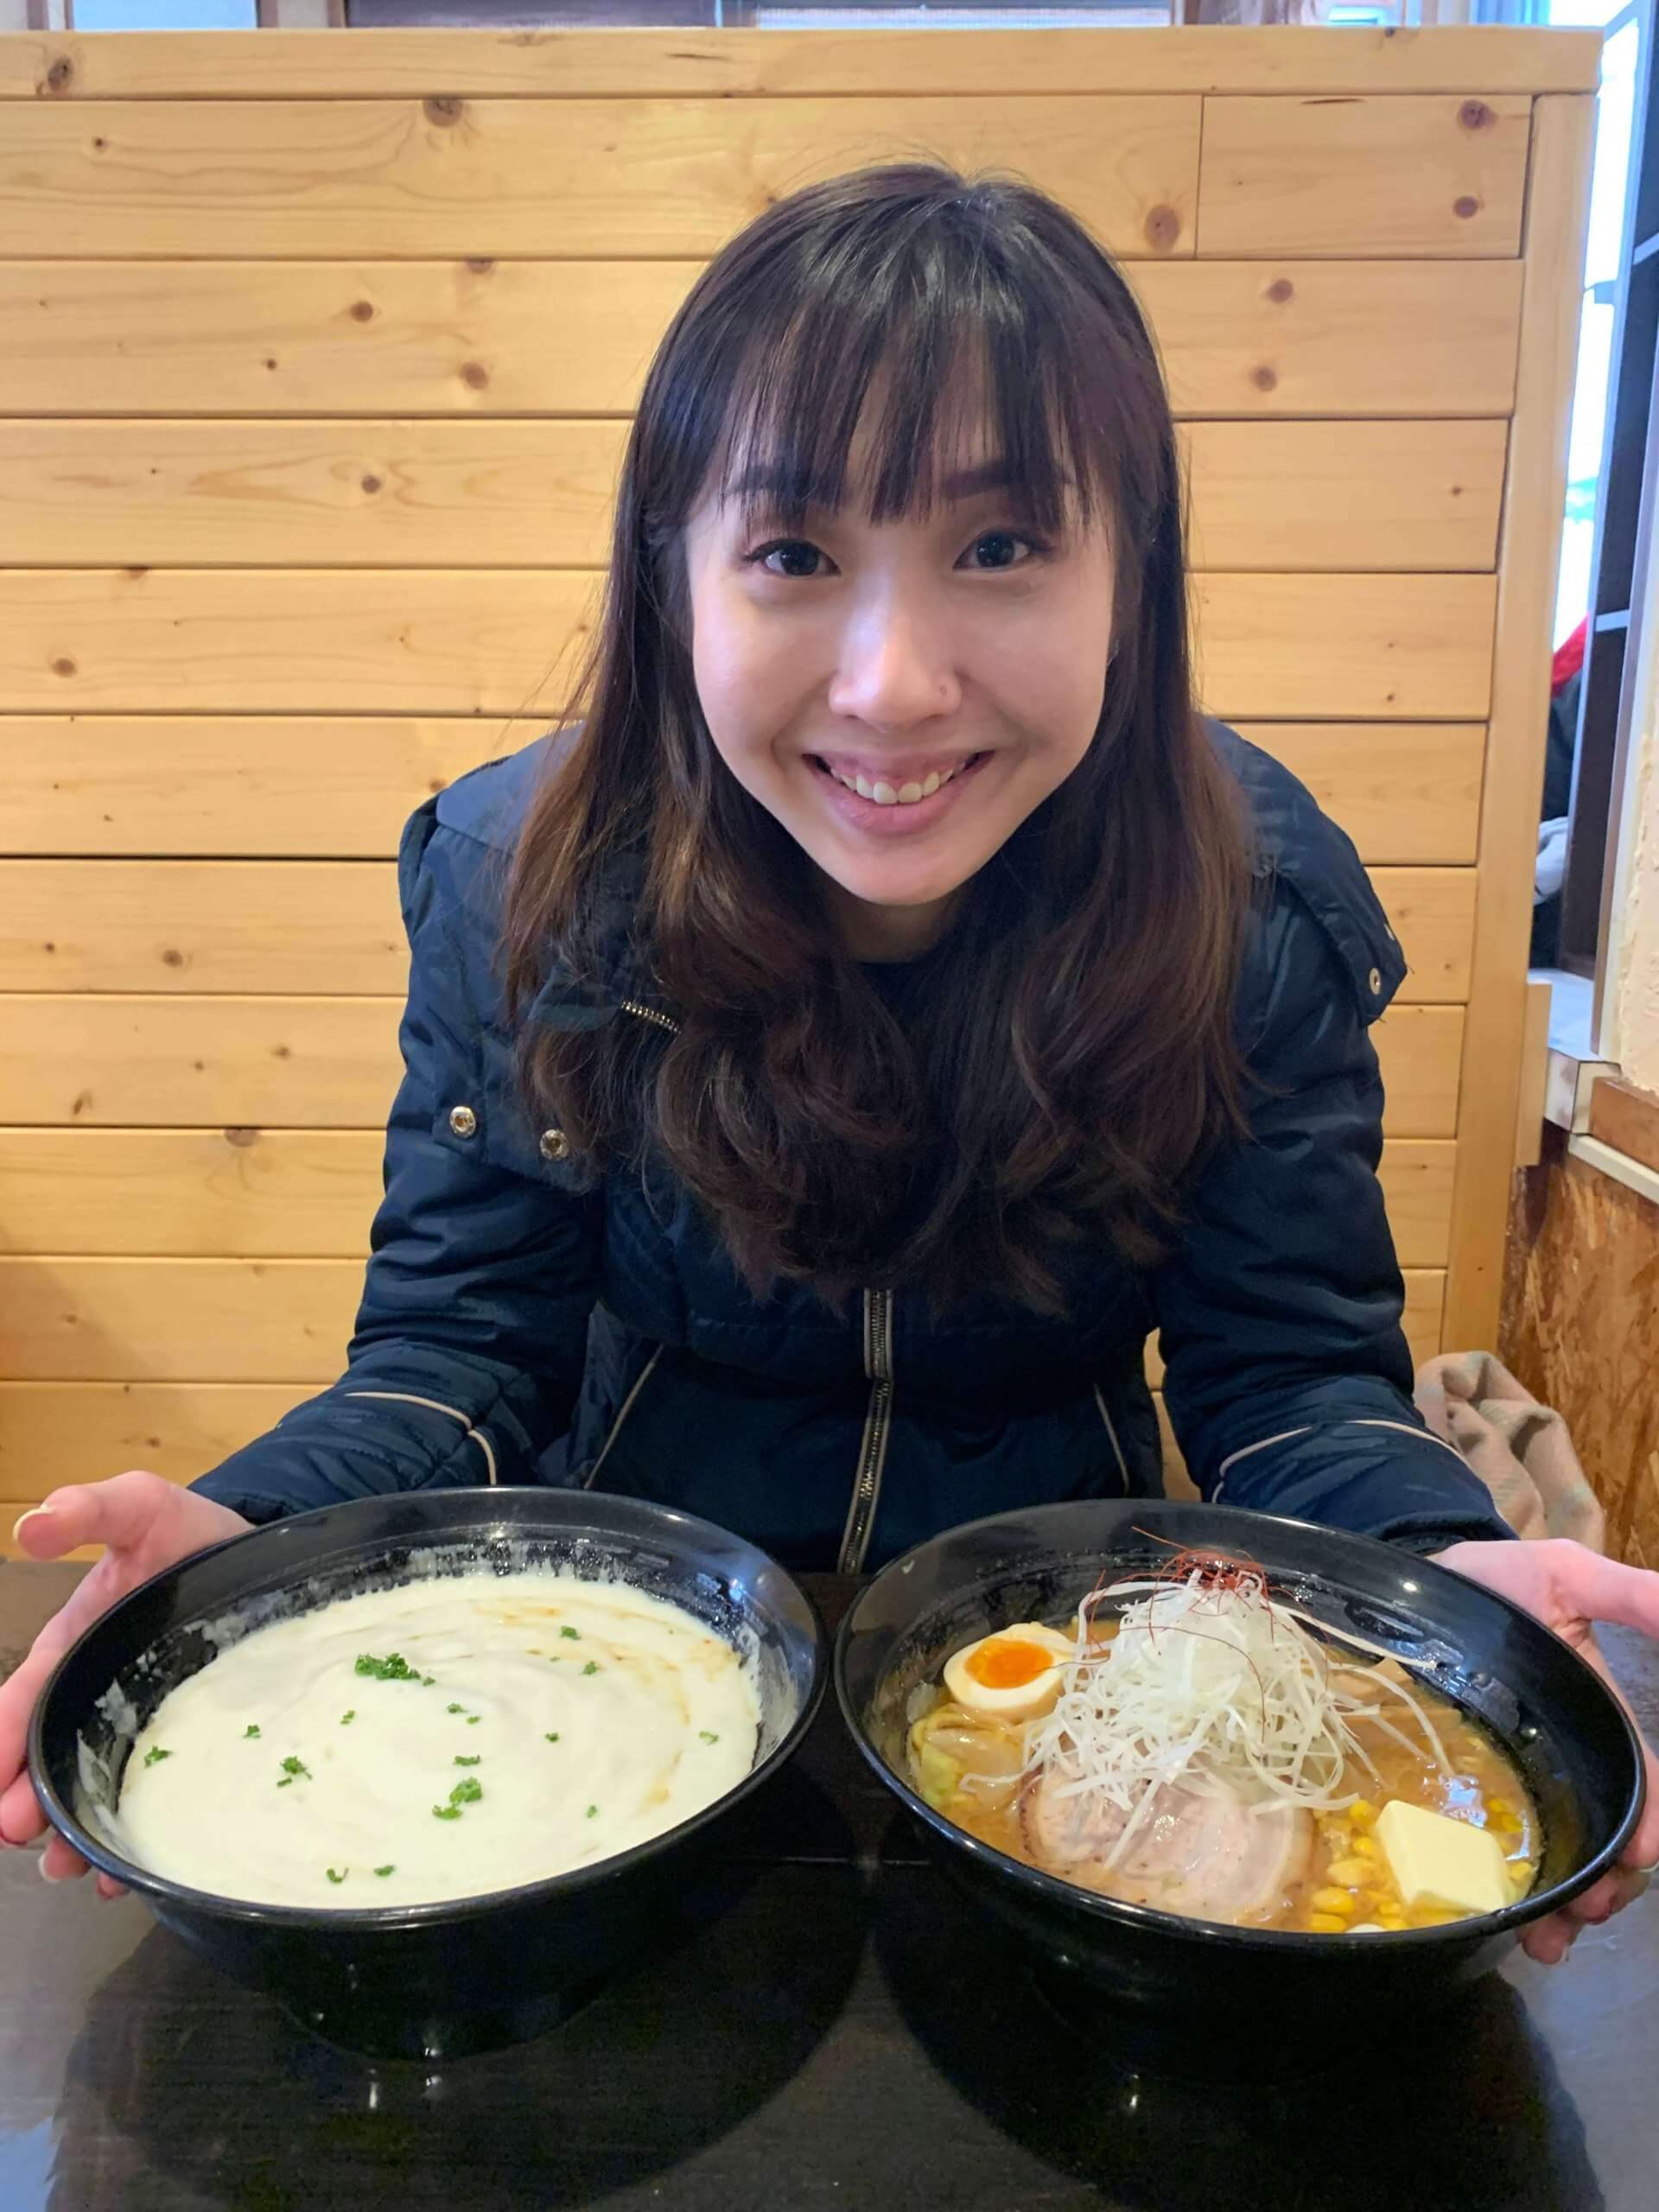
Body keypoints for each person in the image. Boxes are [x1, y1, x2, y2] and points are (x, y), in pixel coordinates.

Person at [3, 167, 1654, 1961]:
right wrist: (252, 1528)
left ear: (1135, 576)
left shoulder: (1248, 897)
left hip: (1078, 1693)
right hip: (615, 1704)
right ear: (676, 579)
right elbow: (458, 1357)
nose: (890, 683)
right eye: (794, 555)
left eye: (1002, 548)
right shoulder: (518, 882)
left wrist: (1448, 1564)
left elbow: (1290, 1385)